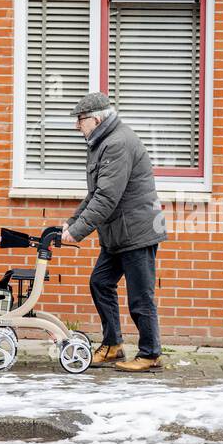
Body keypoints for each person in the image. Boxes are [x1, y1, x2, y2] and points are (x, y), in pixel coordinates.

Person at [60, 93, 167, 371]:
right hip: (117, 233)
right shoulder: (102, 142)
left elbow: (107, 198)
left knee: (140, 297)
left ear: (95, 119)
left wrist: (79, 231)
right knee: (100, 282)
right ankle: (113, 346)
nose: (77, 126)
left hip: (136, 232)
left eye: (79, 120)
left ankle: (150, 354)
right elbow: (95, 193)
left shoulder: (117, 143)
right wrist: (73, 222)